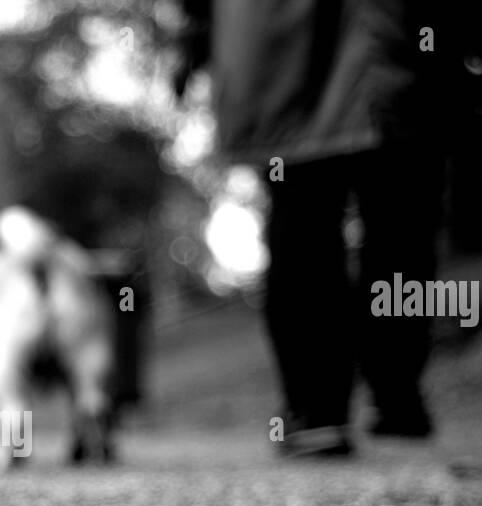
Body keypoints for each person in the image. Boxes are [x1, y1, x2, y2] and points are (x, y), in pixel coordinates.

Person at [176, 0, 450, 456]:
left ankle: (318, 406)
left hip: (284, 46)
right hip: (380, 41)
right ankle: (395, 392)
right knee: (397, 217)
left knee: (309, 211)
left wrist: (194, 35)